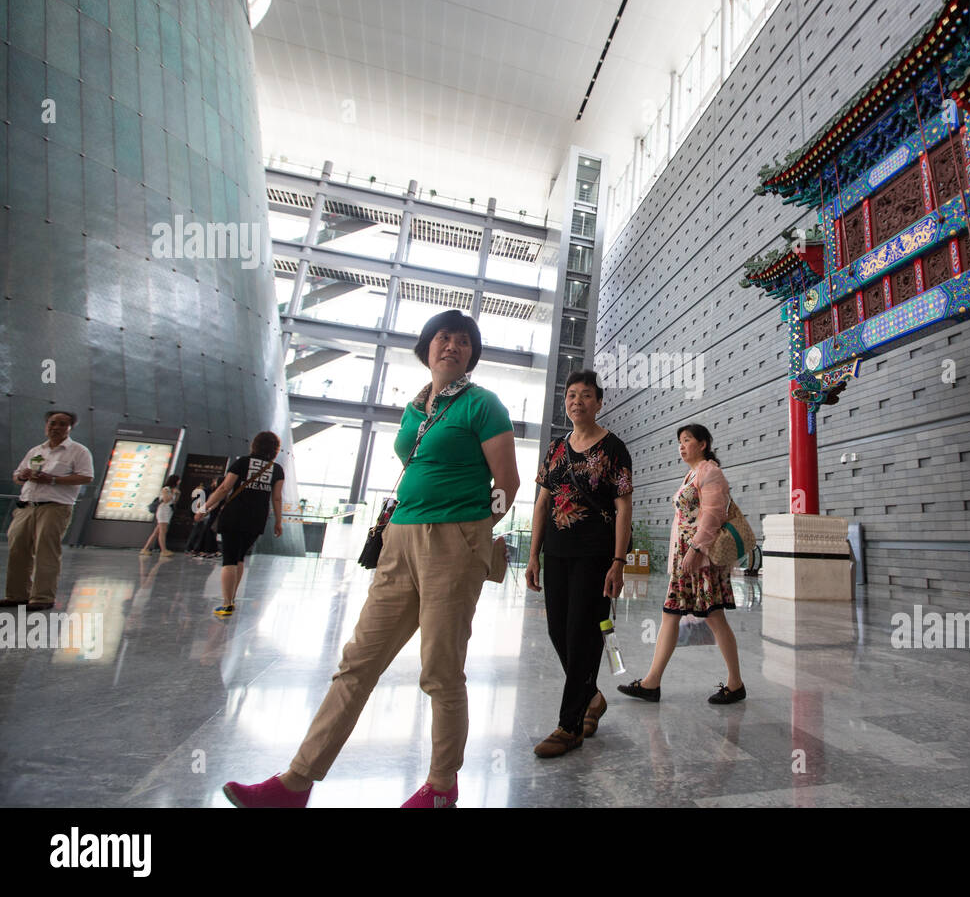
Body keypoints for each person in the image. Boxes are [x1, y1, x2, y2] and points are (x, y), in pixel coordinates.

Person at [222, 309, 519, 808]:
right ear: (426, 348)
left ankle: (442, 787)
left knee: (440, 670)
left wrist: (475, 530)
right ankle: (297, 781)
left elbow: (505, 484)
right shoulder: (415, 408)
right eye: (443, 338)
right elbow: (418, 464)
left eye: (464, 341)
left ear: (472, 353)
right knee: (357, 663)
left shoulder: (483, 404)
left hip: (455, 542)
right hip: (400, 538)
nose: (453, 346)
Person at [526, 370, 632, 758]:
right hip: (556, 553)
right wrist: (534, 553)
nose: (577, 401)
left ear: (599, 402)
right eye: (571, 395)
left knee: (583, 635)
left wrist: (618, 561)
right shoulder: (555, 447)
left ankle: (569, 725)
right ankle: (592, 696)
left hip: (595, 554)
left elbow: (624, 507)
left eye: (586, 395)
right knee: (558, 631)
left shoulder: (614, 448)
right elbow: (542, 503)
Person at [618, 424, 746, 705]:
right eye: (680, 441)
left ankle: (736, 684)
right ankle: (652, 682)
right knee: (671, 615)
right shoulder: (692, 474)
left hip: (702, 561)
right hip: (685, 562)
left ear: (703, 444)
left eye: (687, 440)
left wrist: (695, 550)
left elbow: (712, 516)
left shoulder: (710, 472)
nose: (681, 445)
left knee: (714, 617)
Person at [1, 410, 94, 611]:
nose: (56, 427)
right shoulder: (36, 451)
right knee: (18, 550)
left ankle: (42, 597)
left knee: (46, 551)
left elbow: (86, 477)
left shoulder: (78, 451)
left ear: (70, 428)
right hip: (26, 506)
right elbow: (17, 476)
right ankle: (16, 595)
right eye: (52, 423)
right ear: (46, 426)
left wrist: (52, 480)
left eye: (62, 424)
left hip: (54, 507)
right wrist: (24, 476)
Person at [195, 433, 285, 618]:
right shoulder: (276, 469)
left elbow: (224, 488)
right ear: (275, 448)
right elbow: (276, 497)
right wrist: (278, 521)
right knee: (239, 558)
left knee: (229, 558)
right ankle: (232, 598)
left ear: (255, 445)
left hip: (234, 515)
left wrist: (205, 507)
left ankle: (226, 604)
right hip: (257, 519)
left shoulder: (243, 462)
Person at [141, 474, 181, 557]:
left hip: (168, 511)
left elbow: (174, 502)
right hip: (163, 511)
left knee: (156, 532)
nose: (179, 481)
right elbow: (166, 500)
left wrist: (177, 495)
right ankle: (163, 550)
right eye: (178, 480)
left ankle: (145, 549)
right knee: (163, 532)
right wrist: (173, 493)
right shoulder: (166, 489)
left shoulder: (174, 490)